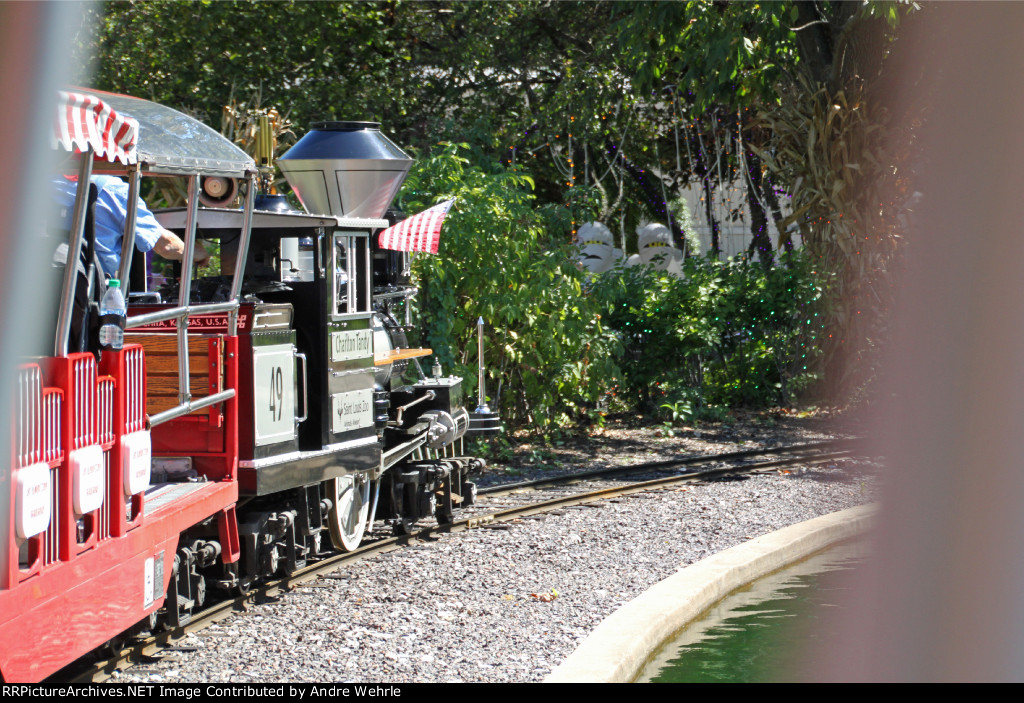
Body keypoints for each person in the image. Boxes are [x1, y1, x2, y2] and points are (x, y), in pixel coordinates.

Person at [51, 173, 209, 278]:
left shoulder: (32, 183)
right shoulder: (113, 190)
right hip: (91, 296)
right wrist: (197, 253)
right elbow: (165, 246)